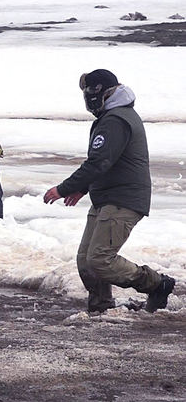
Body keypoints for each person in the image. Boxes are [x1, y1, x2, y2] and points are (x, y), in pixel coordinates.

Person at [44, 68, 175, 313]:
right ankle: (101, 308)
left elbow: (99, 162)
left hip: (123, 198)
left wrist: (63, 189)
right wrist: (83, 188)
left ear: (102, 93)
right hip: (106, 197)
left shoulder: (116, 120)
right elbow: (107, 161)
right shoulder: (112, 116)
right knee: (86, 261)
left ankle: (157, 284)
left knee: (100, 259)